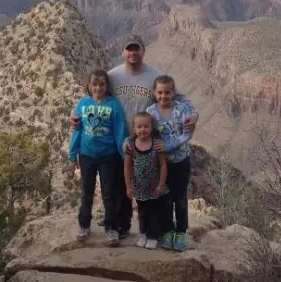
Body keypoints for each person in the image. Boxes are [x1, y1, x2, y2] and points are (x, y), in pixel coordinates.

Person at [70, 34, 198, 238]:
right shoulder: (112, 76)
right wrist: (74, 115)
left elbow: (178, 97)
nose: (133, 53)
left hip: (147, 141)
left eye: (136, 48)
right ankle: (121, 227)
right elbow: (93, 96)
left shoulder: (154, 76)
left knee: (149, 187)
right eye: (129, 49)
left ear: (143, 51)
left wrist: (193, 114)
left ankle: (152, 230)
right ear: (123, 52)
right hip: (119, 141)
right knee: (121, 187)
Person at [68, 69, 126, 246]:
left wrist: (124, 157)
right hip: (86, 156)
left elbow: (119, 132)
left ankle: (111, 228)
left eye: (102, 84)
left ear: (107, 86)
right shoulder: (82, 104)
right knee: (87, 192)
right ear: (89, 85)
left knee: (109, 194)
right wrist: (72, 155)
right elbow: (76, 130)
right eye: (94, 84)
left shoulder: (113, 105)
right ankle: (84, 225)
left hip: (109, 156)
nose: (98, 88)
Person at [146, 75, 193, 251]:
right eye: (160, 92)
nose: (163, 96)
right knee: (165, 197)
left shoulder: (182, 110)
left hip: (181, 161)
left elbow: (187, 134)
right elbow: (145, 132)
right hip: (161, 165)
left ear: (173, 93)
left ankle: (181, 232)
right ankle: (167, 230)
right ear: (154, 93)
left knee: (180, 198)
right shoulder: (151, 112)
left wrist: (169, 145)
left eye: (167, 92)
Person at [124, 112, 168, 250]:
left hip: (154, 186)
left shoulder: (156, 145)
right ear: (134, 129)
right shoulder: (131, 146)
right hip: (139, 187)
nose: (143, 129)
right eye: (139, 127)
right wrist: (128, 186)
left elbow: (163, 165)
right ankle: (142, 233)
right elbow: (127, 167)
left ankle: (153, 236)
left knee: (154, 212)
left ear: (151, 128)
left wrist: (161, 184)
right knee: (142, 212)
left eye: (146, 126)